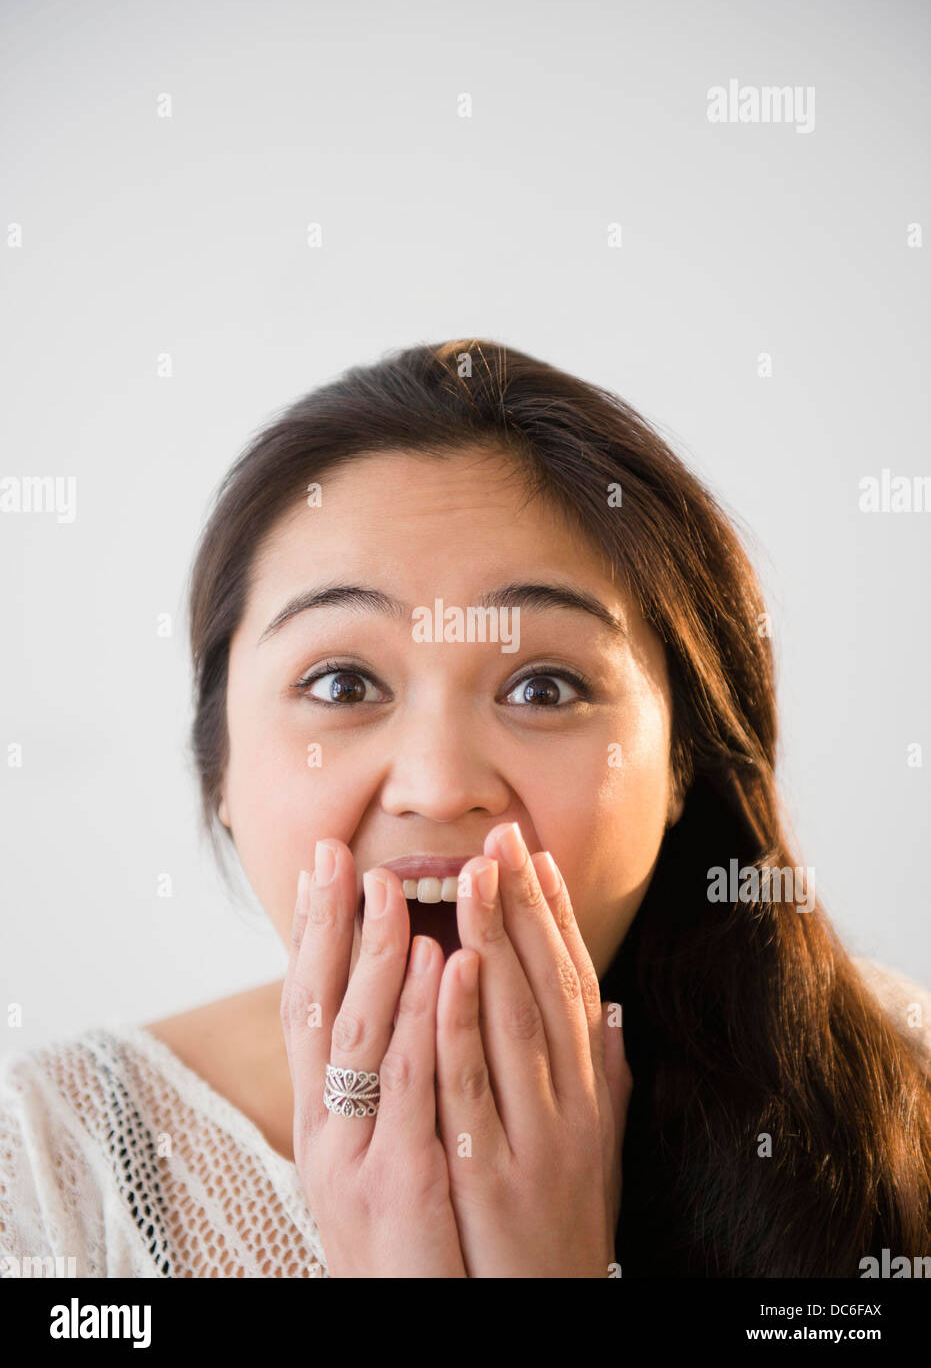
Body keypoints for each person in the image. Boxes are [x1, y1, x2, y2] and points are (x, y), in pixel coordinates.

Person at [2, 339, 929, 1278]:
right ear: (223, 764)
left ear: (682, 760)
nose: (439, 786)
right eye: (341, 682)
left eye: (543, 688)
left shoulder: (907, 1097)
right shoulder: (37, 1176)